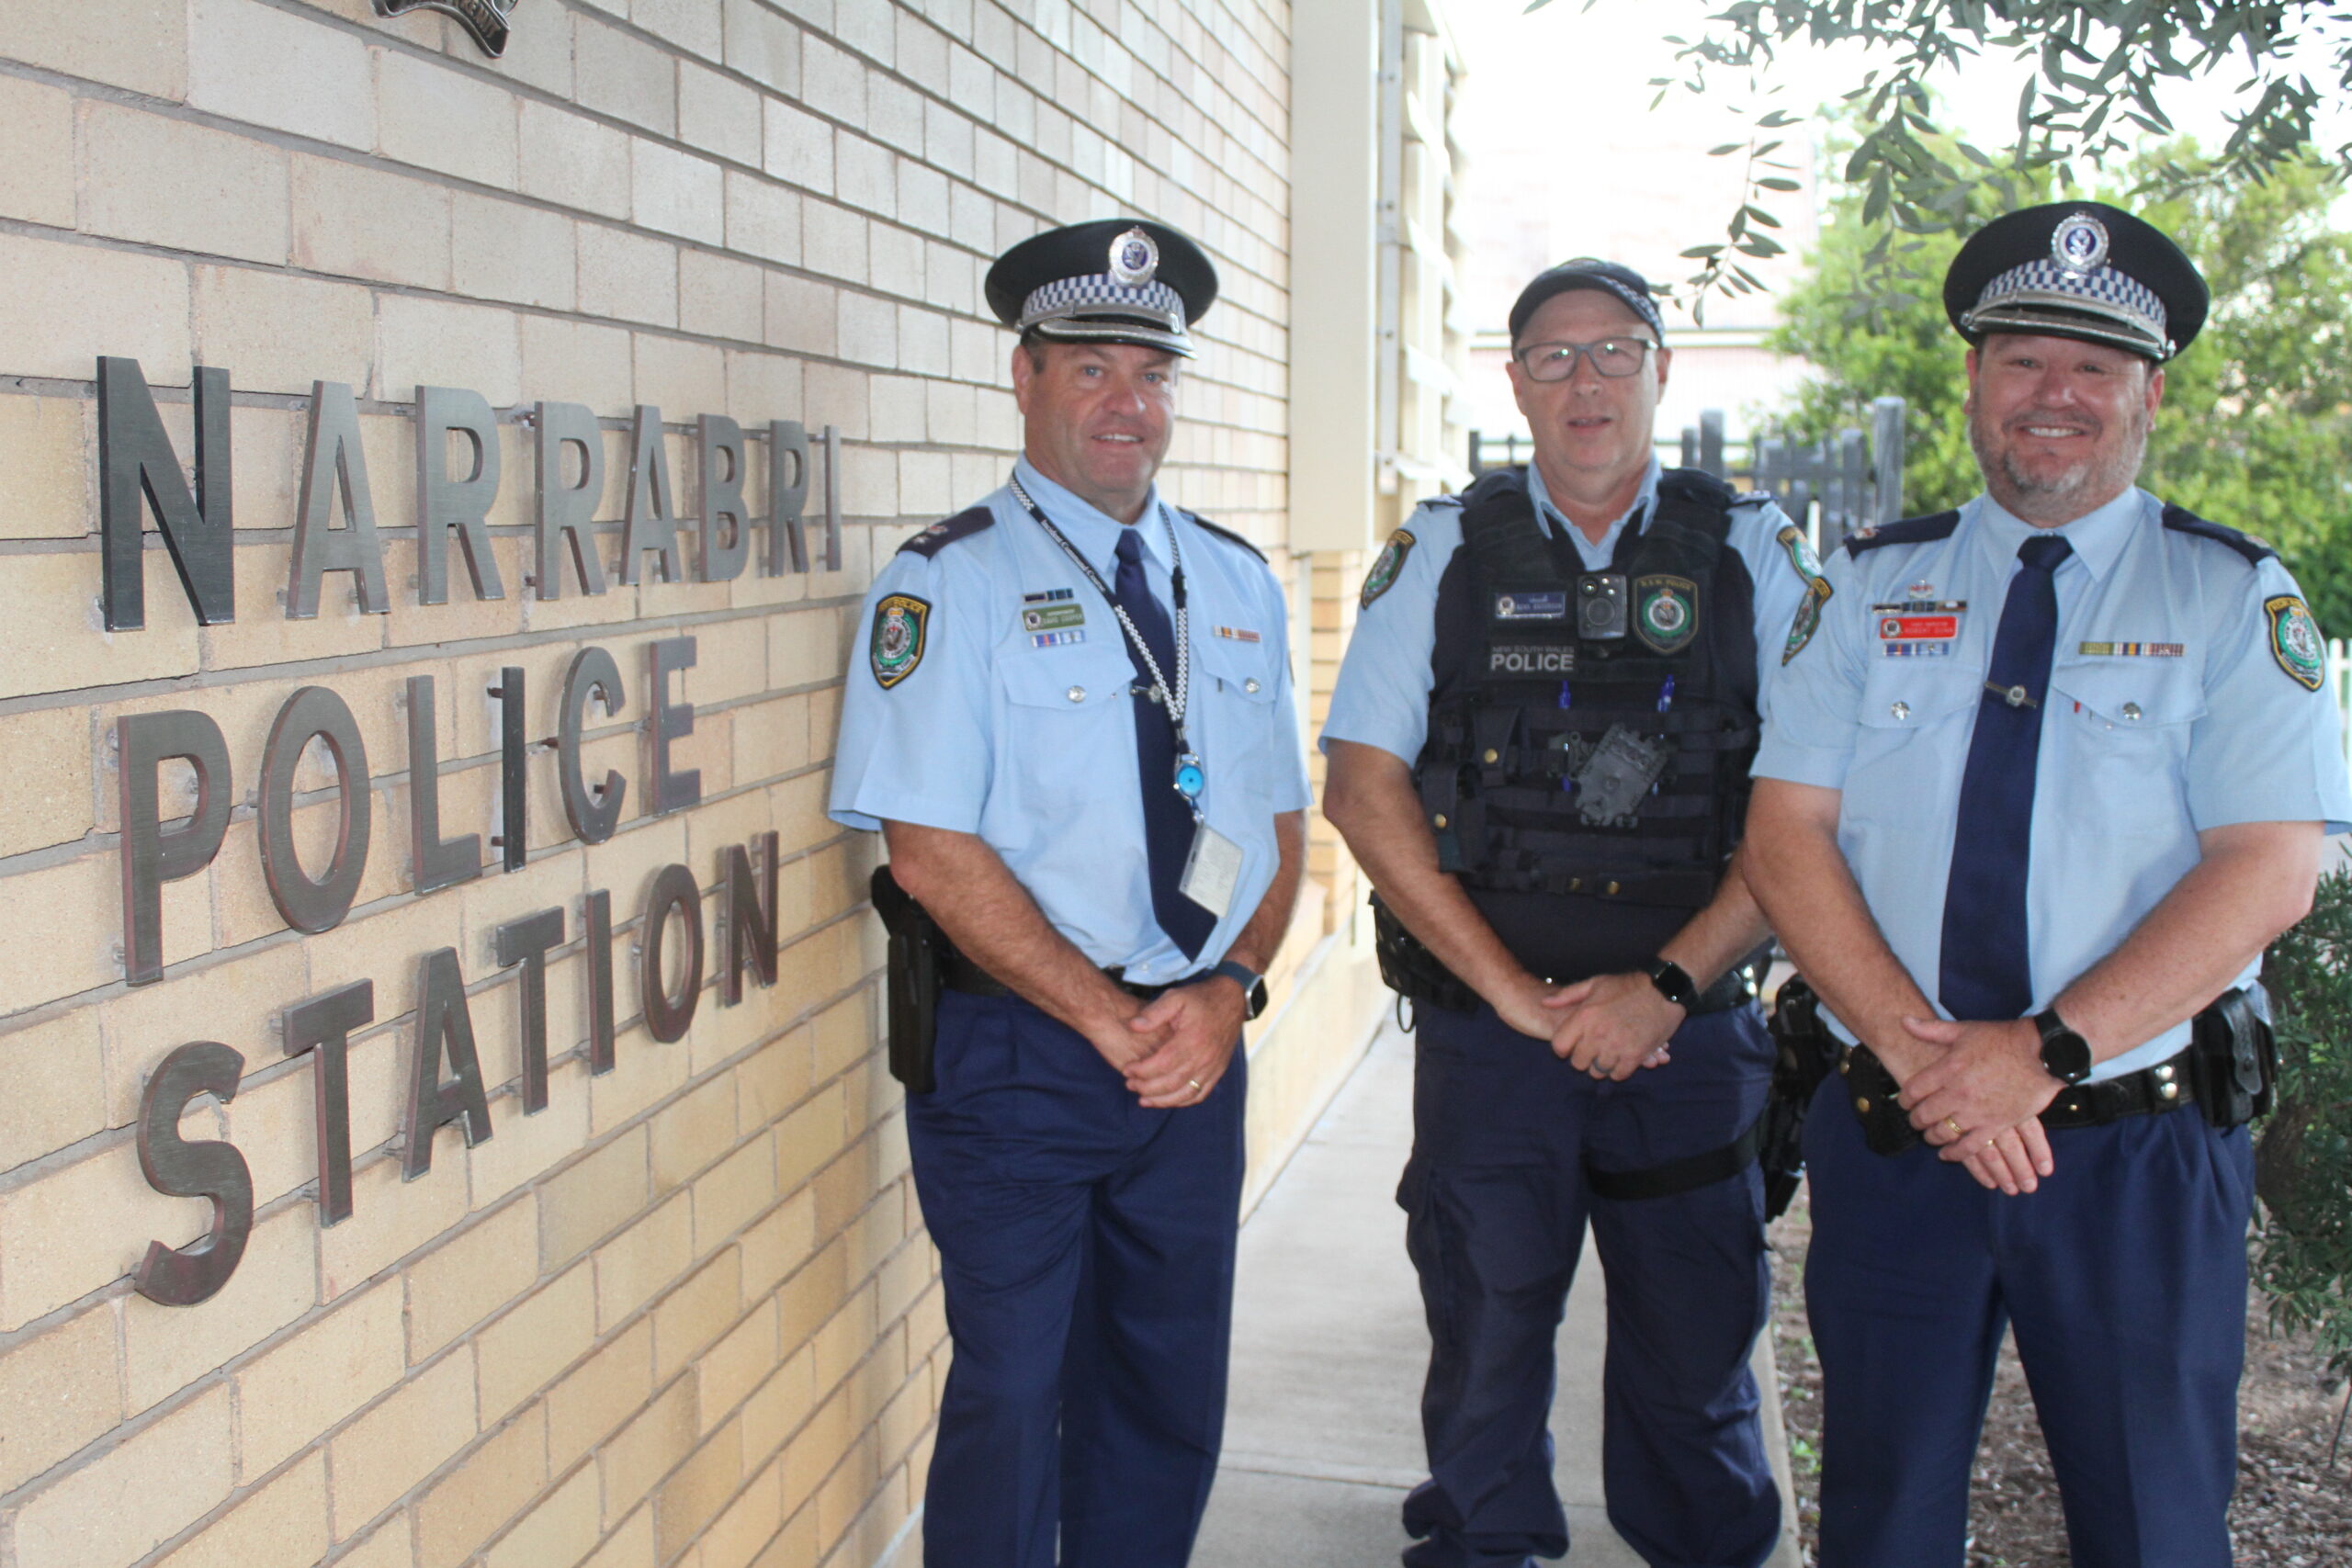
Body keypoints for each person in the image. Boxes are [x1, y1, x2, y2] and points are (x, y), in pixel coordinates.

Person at [1746, 200, 2352, 1567]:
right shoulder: (1865, 586)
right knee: (1882, 1523)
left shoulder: (2228, 600)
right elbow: (1786, 837)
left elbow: (2271, 871)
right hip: (1899, 1131)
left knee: (2152, 1525)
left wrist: (2044, 1052)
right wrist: (1933, 1064)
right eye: (2023, 360)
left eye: (2094, 369)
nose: (2055, 398)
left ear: (2149, 396)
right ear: (1973, 381)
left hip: (2136, 1148)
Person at [827, 219, 1309, 1568]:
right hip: (1022, 1061)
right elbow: (925, 851)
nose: (1127, 404)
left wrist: (1228, 991)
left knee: (1166, 1389)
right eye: (1091, 369)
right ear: (1024, 376)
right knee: (1016, 1393)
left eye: (1151, 374)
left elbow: (1277, 827)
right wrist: (1110, 1020)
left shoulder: (1233, 580)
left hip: (1195, 1057)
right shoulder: (950, 582)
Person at [1321, 258, 1817, 1568]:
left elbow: (1810, 805)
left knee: (1695, 1352)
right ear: (1515, 380)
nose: (1585, 380)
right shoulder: (1440, 549)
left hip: (1690, 1037)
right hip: (1496, 1042)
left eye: (1615, 351)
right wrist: (1505, 994)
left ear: (1663, 369)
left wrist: (1662, 986)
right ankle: (1487, 1550)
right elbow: (1363, 789)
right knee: (1485, 1338)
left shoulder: (1756, 549)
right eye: (1554, 356)